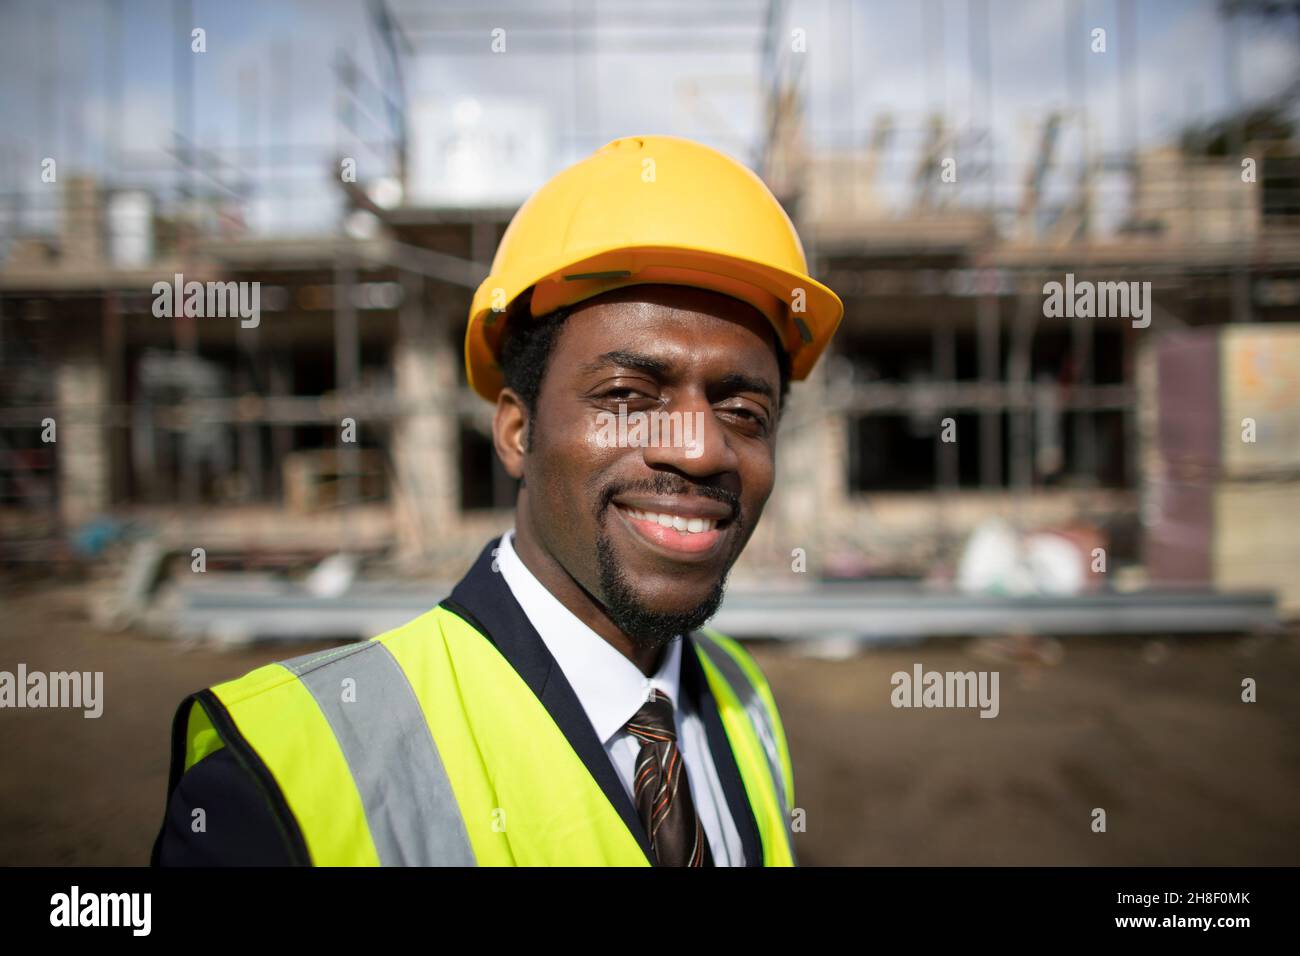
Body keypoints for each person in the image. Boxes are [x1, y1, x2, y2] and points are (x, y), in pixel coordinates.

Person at [151, 134, 843, 867]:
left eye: (743, 412)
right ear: (517, 431)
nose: (701, 449)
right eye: (629, 397)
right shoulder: (278, 784)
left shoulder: (744, 698)